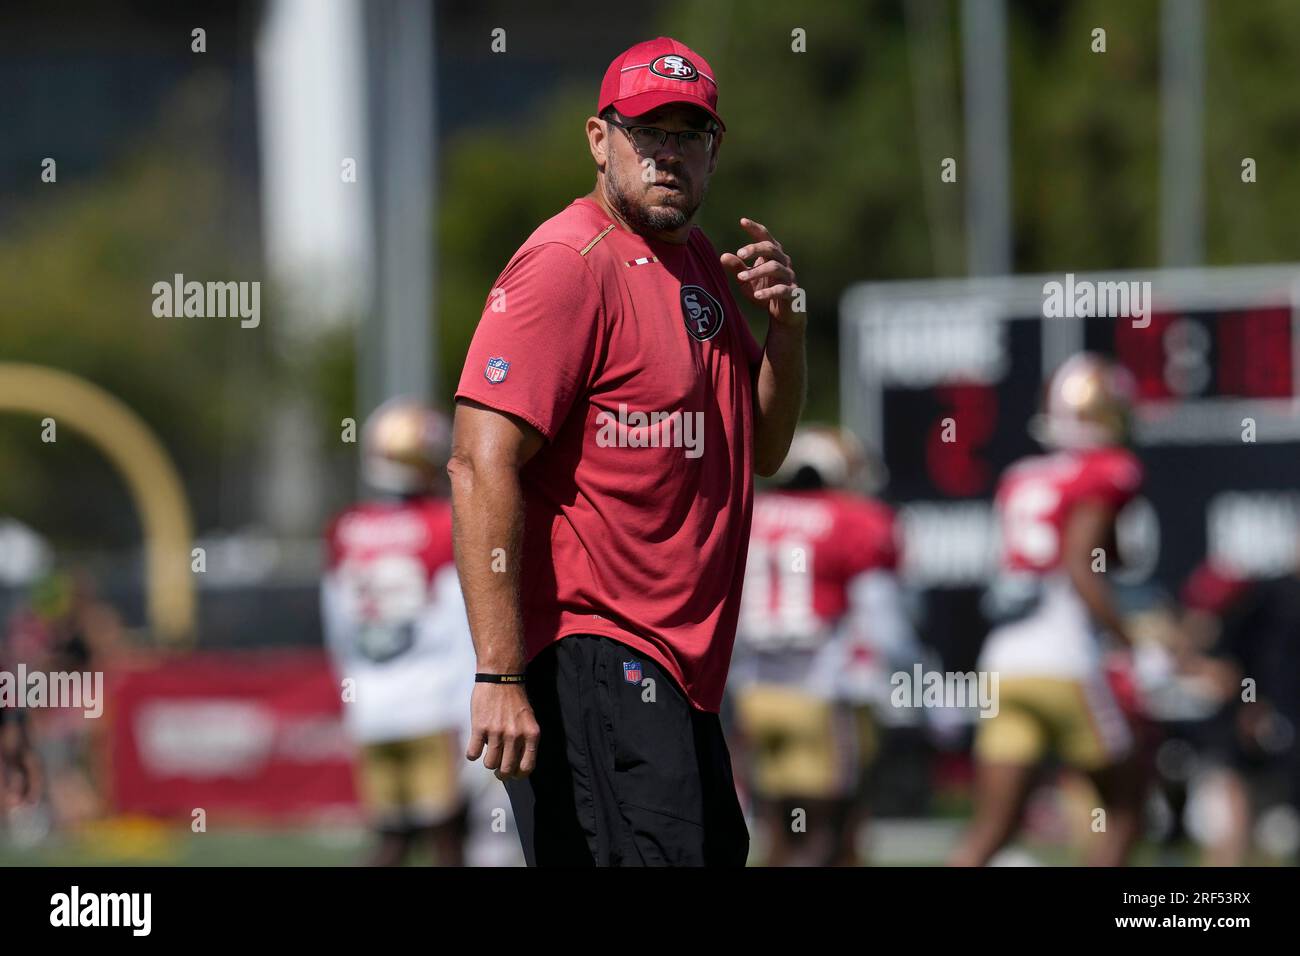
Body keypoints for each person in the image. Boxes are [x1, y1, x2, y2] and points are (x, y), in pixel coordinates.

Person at [449, 36, 805, 866]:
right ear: (599, 139)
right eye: (649, 131)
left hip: (682, 672)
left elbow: (766, 449)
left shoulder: (700, 269)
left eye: (690, 134)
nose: (669, 154)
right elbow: (477, 460)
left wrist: (787, 333)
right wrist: (498, 675)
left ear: (715, 151)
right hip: (599, 653)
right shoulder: (566, 264)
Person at [951, 353, 1145, 867]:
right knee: (1126, 807)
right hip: (1063, 661)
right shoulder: (1107, 470)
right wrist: (1133, 645)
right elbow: (1083, 568)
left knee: (992, 827)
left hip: (1004, 664)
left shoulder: (1021, 476)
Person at [730, 425, 919, 865]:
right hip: (820, 691)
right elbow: (884, 624)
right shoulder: (853, 519)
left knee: (778, 828)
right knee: (830, 834)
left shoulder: (751, 512)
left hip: (754, 693)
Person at [322, 399, 476, 866]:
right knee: (448, 838)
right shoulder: (443, 525)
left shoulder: (346, 528)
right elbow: (462, 628)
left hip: (371, 700)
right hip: (433, 701)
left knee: (392, 837)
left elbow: (338, 627)